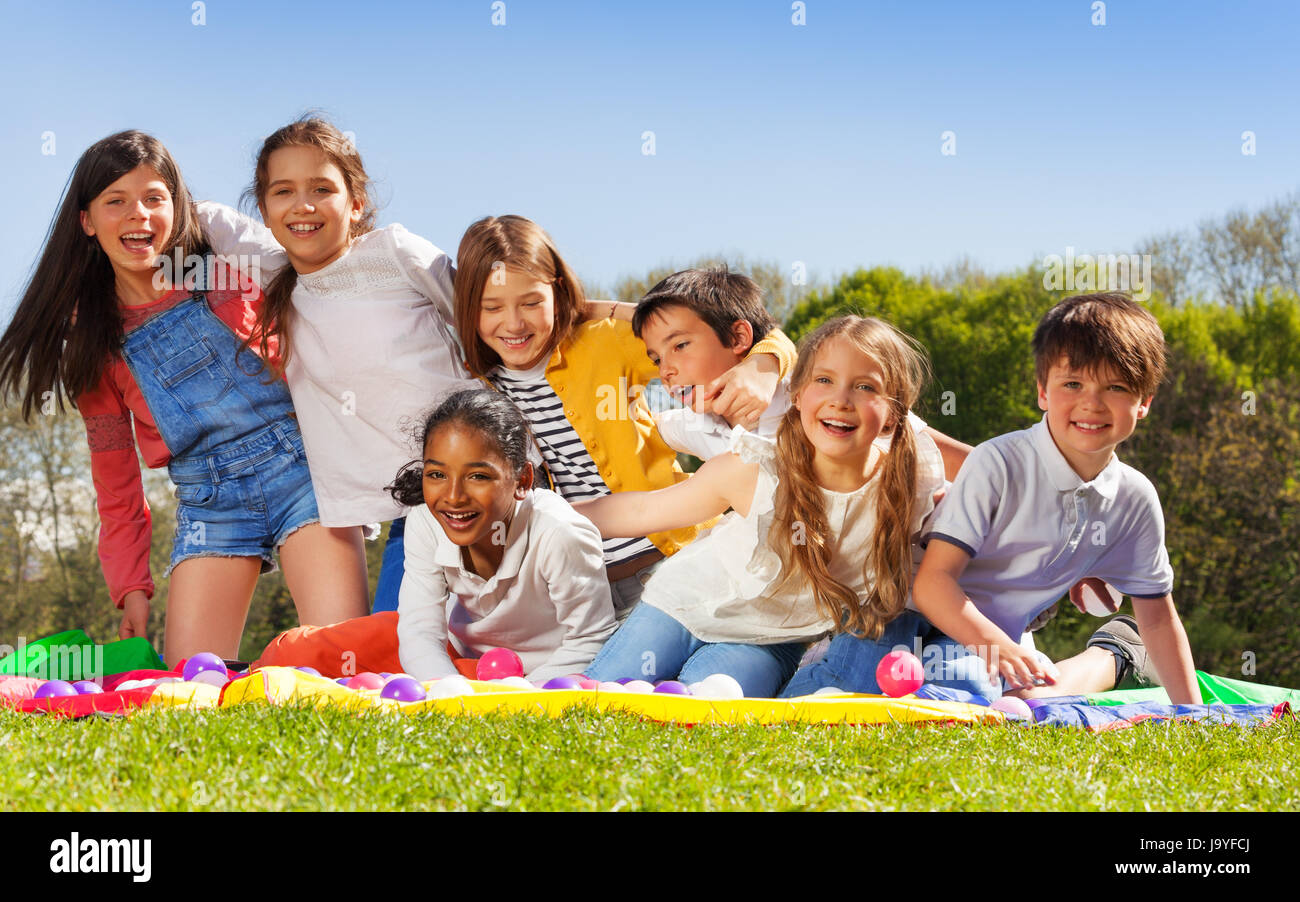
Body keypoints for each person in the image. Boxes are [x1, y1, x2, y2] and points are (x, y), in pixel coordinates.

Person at [0, 131, 368, 665]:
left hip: (303, 471)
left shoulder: (226, 271)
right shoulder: (94, 343)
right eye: (116, 202)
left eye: (154, 198)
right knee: (191, 682)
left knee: (347, 659)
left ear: (177, 206)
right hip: (209, 501)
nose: (139, 216)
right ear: (87, 220)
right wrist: (131, 588)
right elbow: (115, 477)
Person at [783, 292, 1202, 705]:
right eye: (1072, 383)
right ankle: (1100, 656)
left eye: (1115, 387)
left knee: (1003, 698)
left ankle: (1113, 654)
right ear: (1042, 391)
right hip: (900, 612)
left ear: (1144, 402)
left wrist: (1193, 713)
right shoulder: (998, 462)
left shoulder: (1135, 498)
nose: (1090, 404)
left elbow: (1159, 618)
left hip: (983, 640)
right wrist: (999, 649)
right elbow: (931, 585)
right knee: (855, 686)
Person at [573, 315, 946, 697]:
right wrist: (552, 515)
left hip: (767, 637)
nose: (841, 399)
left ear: (896, 414)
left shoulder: (909, 483)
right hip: (681, 606)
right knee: (603, 697)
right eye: (824, 380)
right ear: (797, 395)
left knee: (712, 707)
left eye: (865, 386)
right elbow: (643, 512)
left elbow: (988, 486)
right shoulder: (757, 470)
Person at [196, 116, 479, 613]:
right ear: (264, 208)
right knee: (402, 658)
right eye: (283, 191)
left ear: (356, 201)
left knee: (521, 645)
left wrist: (629, 319)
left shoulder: (392, 252)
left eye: (321, 188)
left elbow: (492, 311)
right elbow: (202, 218)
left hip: (484, 485)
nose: (302, 205)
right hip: (413, 516)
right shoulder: (277, 271)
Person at [453, 217, 798, 620]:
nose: (514, 323)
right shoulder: (475, 383)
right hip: (576, 585)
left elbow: (710, 324)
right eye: (492, 307)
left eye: (531, 302)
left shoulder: (602, 340)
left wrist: (764, 364)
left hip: (666, 559)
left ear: (558, 290)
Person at [633, 265, 973, 475]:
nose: (666, 371)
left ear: (738, 337)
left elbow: (964, 463)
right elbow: (580, 316)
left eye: (679, 346)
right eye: (657, 359)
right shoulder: (690, 426)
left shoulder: (821, 396)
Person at [389, 390, 617, 682]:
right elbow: (419, 630)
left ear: (521, 481)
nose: (454, 497)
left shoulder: (560, 533)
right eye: (437, 475)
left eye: (478, 477)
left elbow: (591, 638)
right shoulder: (425, 522)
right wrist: (449, 690)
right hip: (463, 660)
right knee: (362, 636)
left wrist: (516, 697)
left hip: (549, 671)